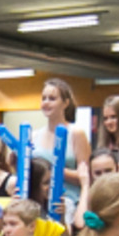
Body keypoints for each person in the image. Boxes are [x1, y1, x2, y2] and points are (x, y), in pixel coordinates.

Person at [39, 79, 90, 209]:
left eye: (52, 99)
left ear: (65, 103)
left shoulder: (76, 134)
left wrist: (53, 171)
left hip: (68, 201)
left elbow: (85, 176)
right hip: (39, 202)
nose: (46, 102)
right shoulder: (34, 135)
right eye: (43, 98)